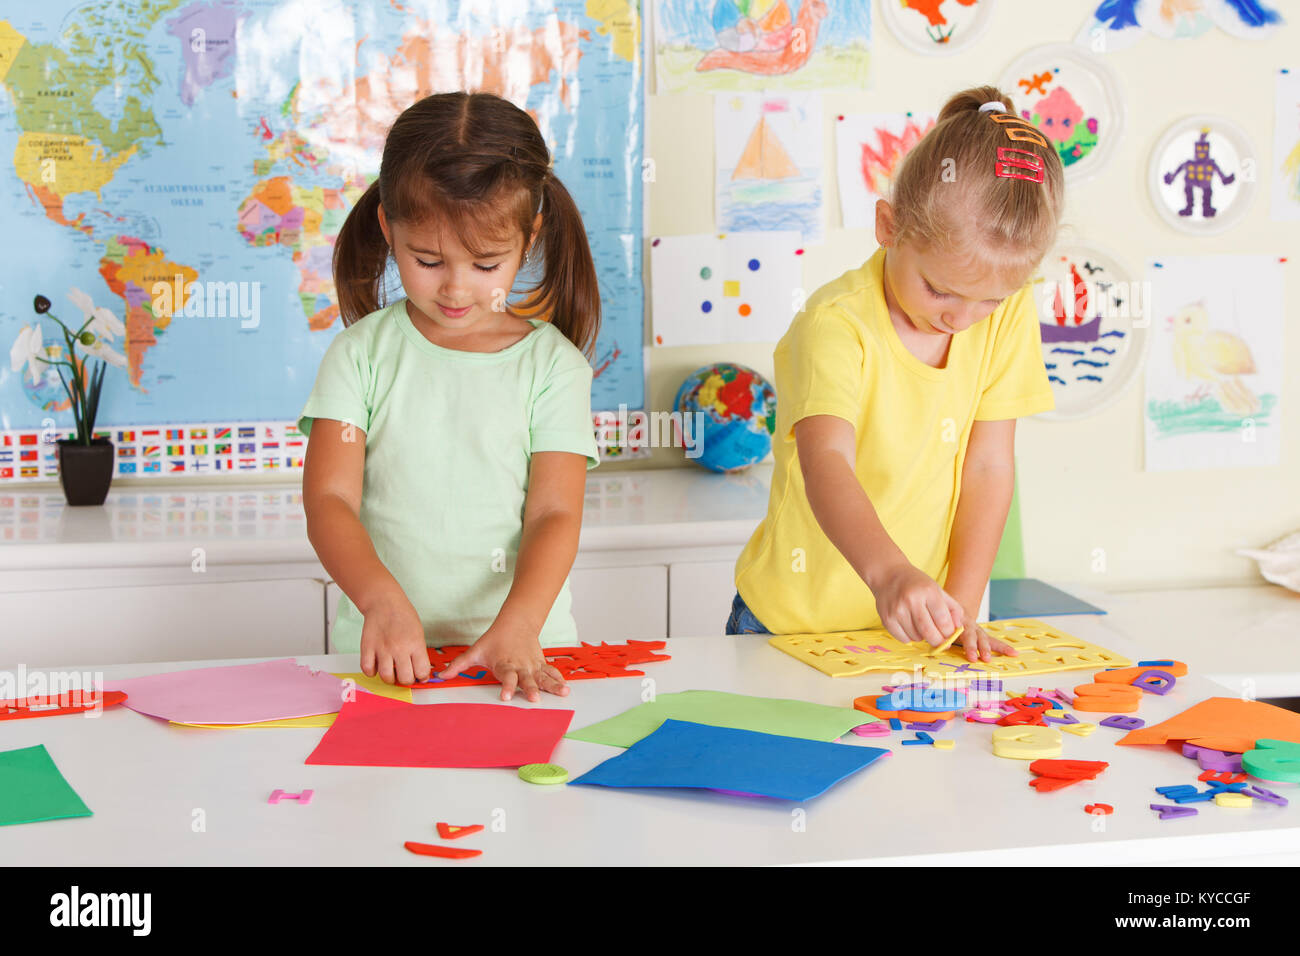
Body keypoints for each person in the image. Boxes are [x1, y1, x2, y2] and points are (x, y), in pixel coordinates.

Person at [730, 86, 1064, 662]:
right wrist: (888, 574)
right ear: (888, 225)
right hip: (790, 627)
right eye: (939, 289)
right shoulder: (834, 325)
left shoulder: (1007, 312)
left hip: (912, 632)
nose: (961, 318)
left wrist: (958, 610)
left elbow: (988, 466)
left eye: (989, 300)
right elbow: (827, 461)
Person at [300, 92, 601, 701]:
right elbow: (329, 499)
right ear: (389, 229)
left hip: (520, 656)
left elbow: (554, 514)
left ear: (529, 237)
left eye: (487, 264)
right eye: (429, 260)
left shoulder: (554, 367)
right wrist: (381, 601)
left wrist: (519, 625)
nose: (457, 288)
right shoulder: (359, 355)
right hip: (384, 656)